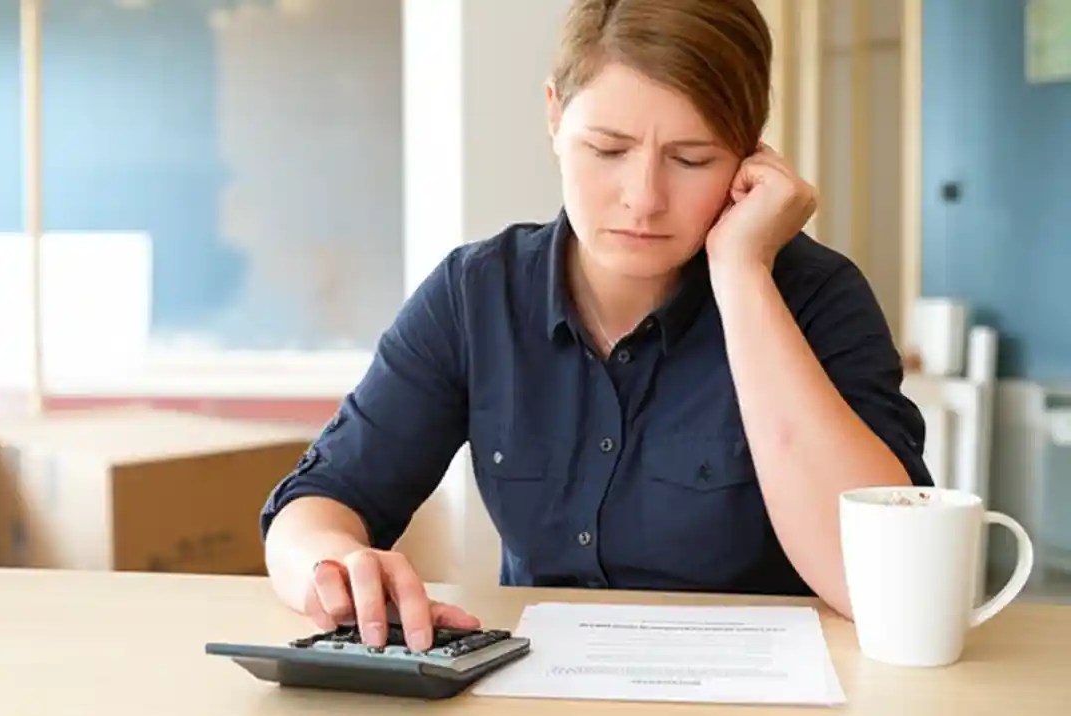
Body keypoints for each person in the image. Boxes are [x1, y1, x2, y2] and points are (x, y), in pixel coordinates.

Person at [260, 0, 932, 653]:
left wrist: (743, 277)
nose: (643, 198)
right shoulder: (476, 295)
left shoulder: (820, 298)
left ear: (749, 157)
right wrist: (336, 569)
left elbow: (881, 584)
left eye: (692, 159)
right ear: (554, 116)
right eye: (608, 150)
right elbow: (320, 501)